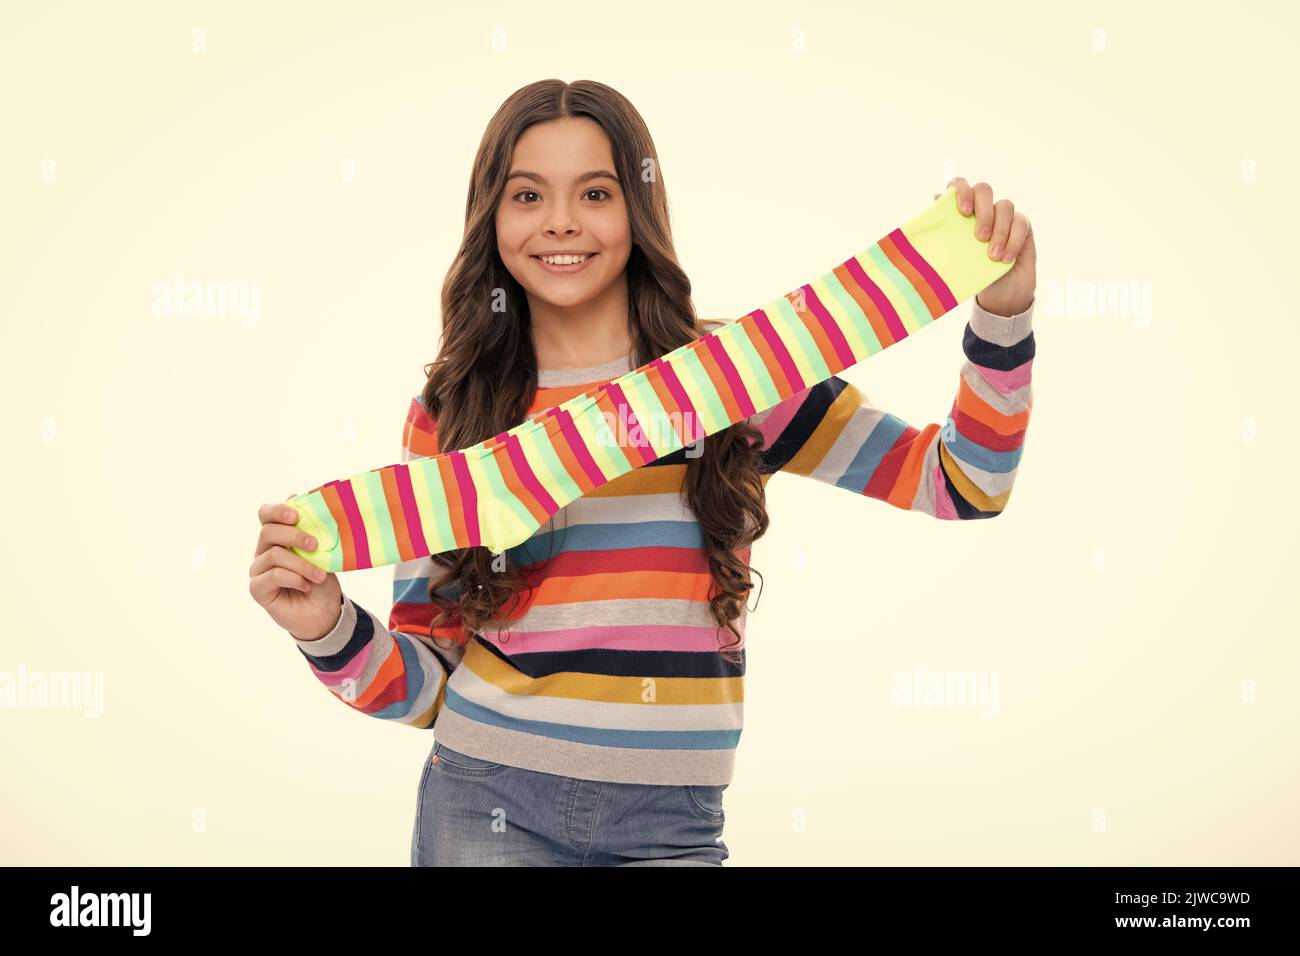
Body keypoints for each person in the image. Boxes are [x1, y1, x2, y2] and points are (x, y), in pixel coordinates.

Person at [248, 79, 1038, 866]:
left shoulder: (737, 380)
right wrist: (324, 627)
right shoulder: (449, 416)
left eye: (595, 192)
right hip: (484, 801)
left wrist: (1003, 316)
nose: (561, 221)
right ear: (492, 218)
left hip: (676, 826)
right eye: (528, 195)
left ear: (640, 211)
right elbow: (426, 689)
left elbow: (965, 484)